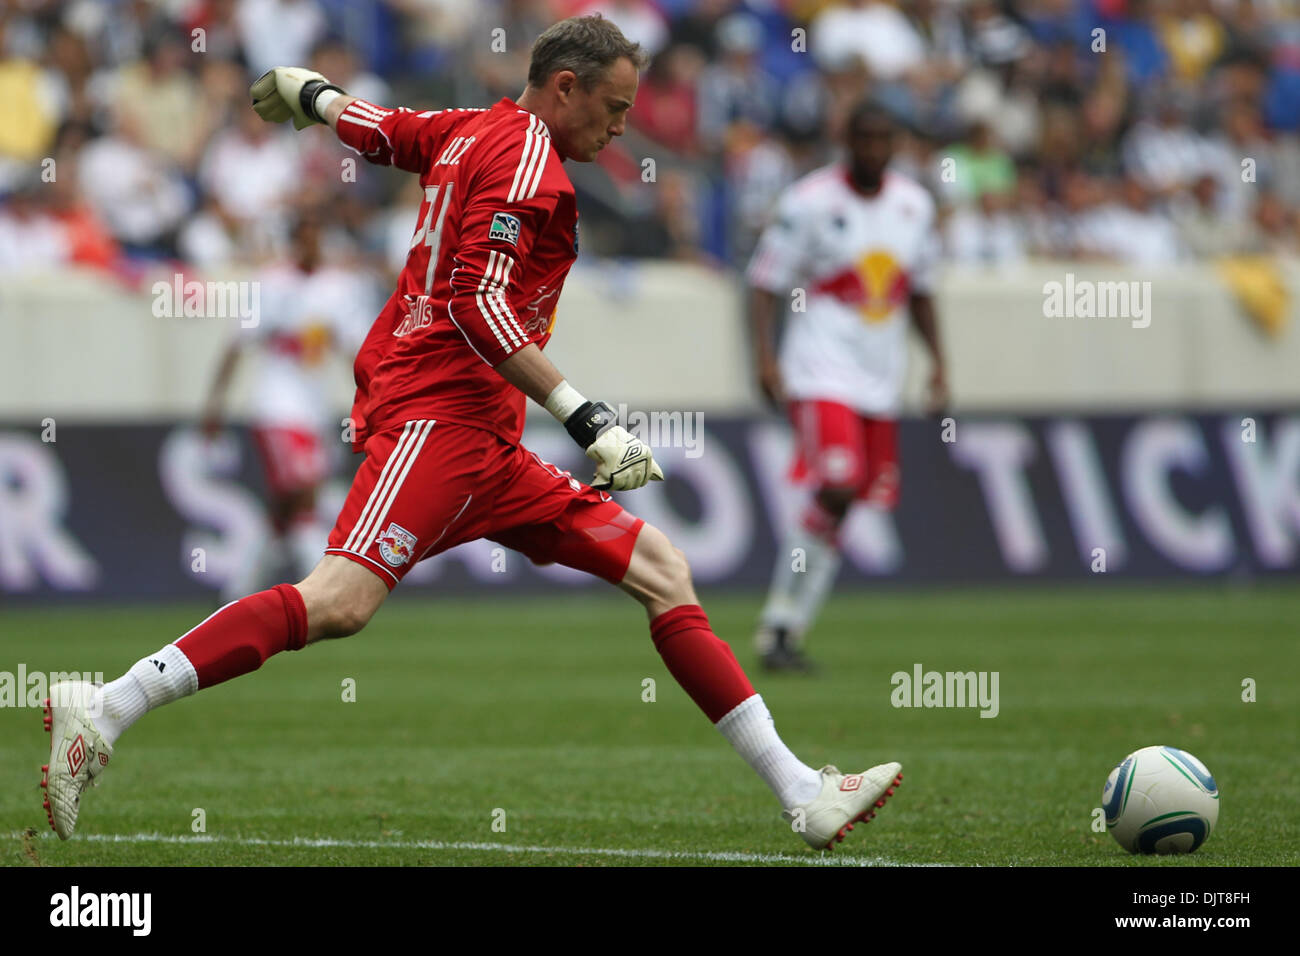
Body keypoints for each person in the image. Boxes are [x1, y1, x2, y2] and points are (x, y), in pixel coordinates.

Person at [41, 16, 902, 853]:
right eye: (613, 105)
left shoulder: (471, 127)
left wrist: (314, 96)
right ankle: (109, 708)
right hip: (438, 416)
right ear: (565, 87)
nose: (622, 124)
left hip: (485, 437)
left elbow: (381, 130)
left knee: (662, 570)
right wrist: (587, 417)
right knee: (338, 603)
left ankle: (802, 793)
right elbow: (476, 302)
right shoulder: (531, 166)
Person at [747, 101, 948, 672]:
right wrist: (765, 358)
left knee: (847, 501)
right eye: (865, 139)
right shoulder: (809, 202)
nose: (875, 150)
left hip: (879, 380)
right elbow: (764, 282)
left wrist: (938, 363)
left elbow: (923, 288)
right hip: (819, 369)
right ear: (846, 141)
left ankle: (785, 630)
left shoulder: (914, 205)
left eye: (885, 139)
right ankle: (780, 623)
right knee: (838, 485)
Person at [201, 214, 374, 601]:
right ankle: (320, 590)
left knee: (283, 509)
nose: (310, 247)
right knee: (305, 491)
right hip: (275, 407)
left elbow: (354, 352)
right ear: (293, 243)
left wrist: (371, 400)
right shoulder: (270, 285)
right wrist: (214, 408)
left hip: (312, 412)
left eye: (316, 238)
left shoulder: (338, 289)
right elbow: (236, 346)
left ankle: (241, 586)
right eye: (303, 239)